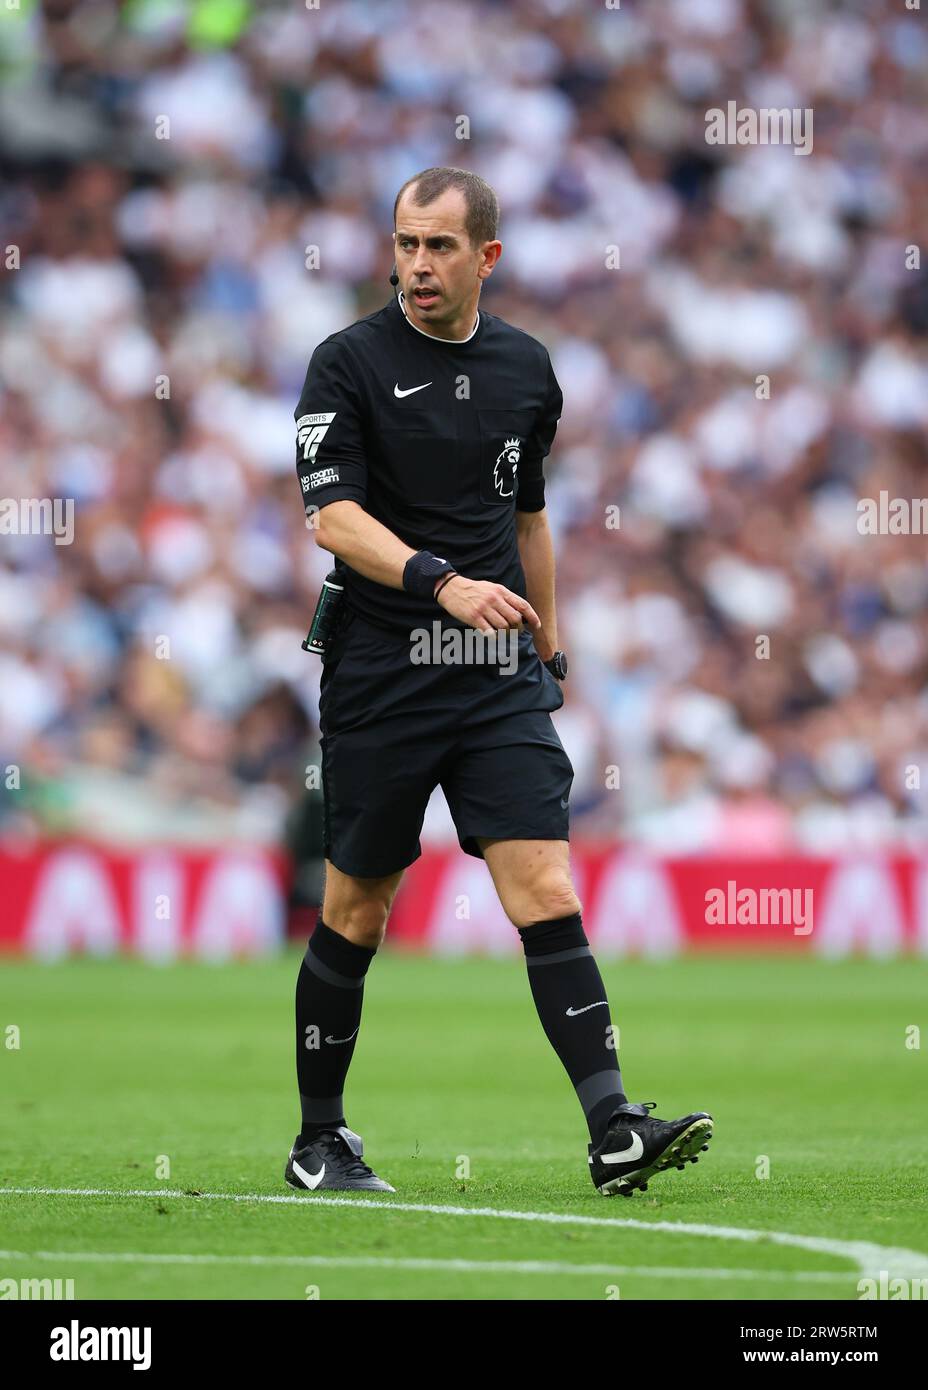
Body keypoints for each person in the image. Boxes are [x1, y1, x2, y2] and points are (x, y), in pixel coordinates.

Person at [287, 166, 712, 1197]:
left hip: (493, 675)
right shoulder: (346, 363)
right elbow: (332, 518)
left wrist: (548, 643)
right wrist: (442, 583)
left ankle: (613, 1125)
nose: (417, 264)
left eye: (439, 245)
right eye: (405, 242)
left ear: (488, 256)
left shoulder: (527, 368)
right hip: (384, 669)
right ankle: (318, 1142)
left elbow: (528, 518)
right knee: (358, 908)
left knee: (546, 887)